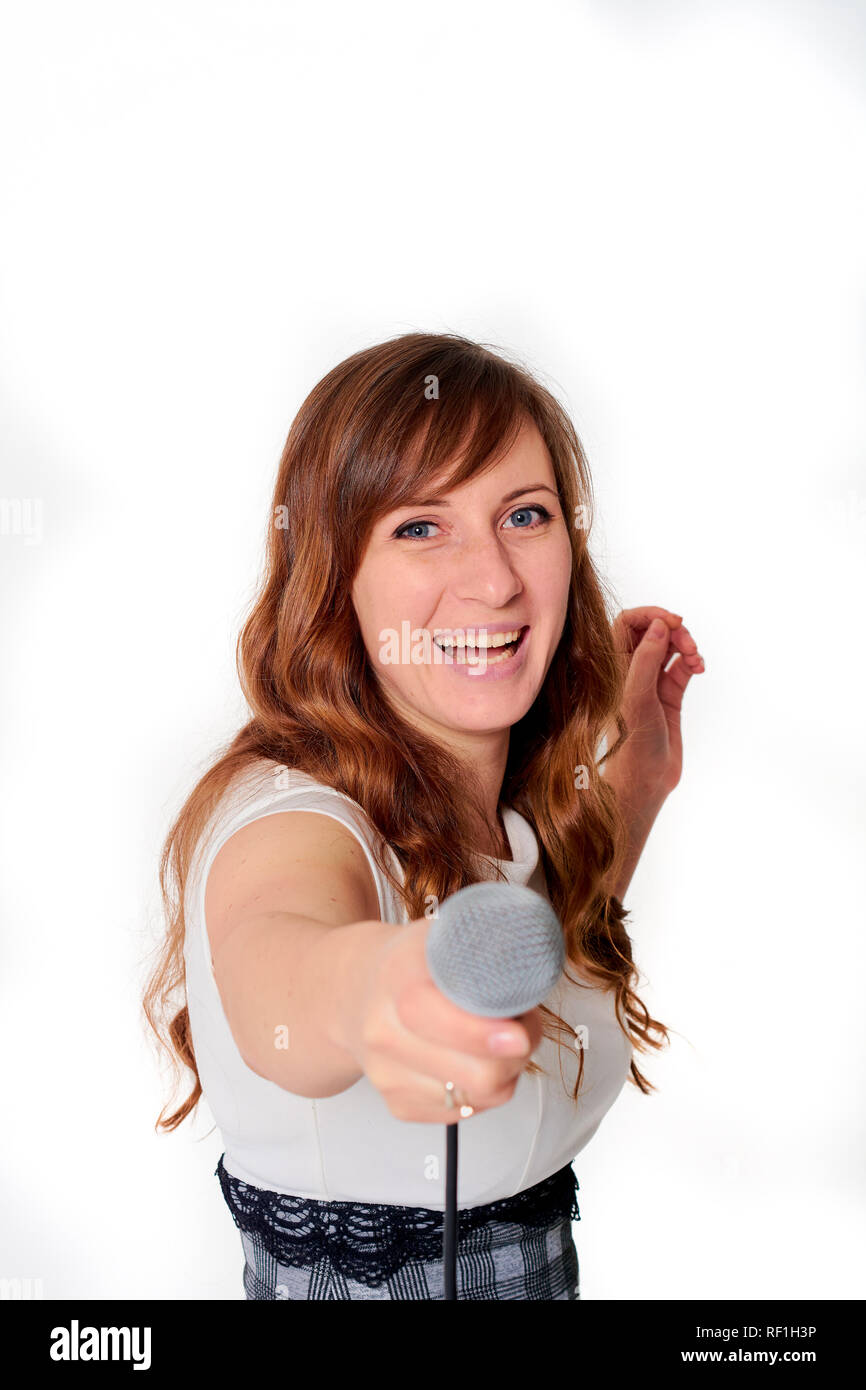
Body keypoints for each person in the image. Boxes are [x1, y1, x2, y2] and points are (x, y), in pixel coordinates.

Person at [142, 331, 704, 1300]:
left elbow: (529, 948)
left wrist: (635, 784)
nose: (492, 578)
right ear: (333, 571)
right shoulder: (288, 814)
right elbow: (280, 949)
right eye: (419, 526)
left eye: (522, 515)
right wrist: (373, 990)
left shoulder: (508, 816)